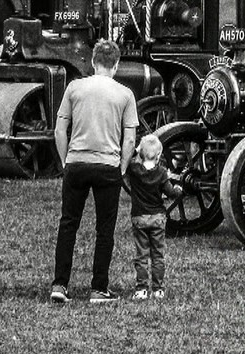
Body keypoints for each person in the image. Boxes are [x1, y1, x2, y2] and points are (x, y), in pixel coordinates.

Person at [50, 40, 139, 305]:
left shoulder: (74, 88)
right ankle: (99, 287)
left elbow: (59, 130)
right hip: (108, 165)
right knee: (105, 229)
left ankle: (60, 283)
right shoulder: (125, 94)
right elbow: (130, 139)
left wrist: (65, 161)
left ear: (92, 61)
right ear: (117, 65)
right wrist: (122, 167)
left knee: (68, 224)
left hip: (76, 162)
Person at [123, 133, 183, 301]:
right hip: (157, 217)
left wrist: (136, 150)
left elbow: (126, 160)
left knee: (142, 255)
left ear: (140, 153)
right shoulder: (162, 172)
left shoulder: (134, 170)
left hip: (139, 217)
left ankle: (141, 289)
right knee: (157, 255)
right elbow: (170, 192)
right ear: (158, 156)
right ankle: (158, 289)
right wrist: (178, 190)